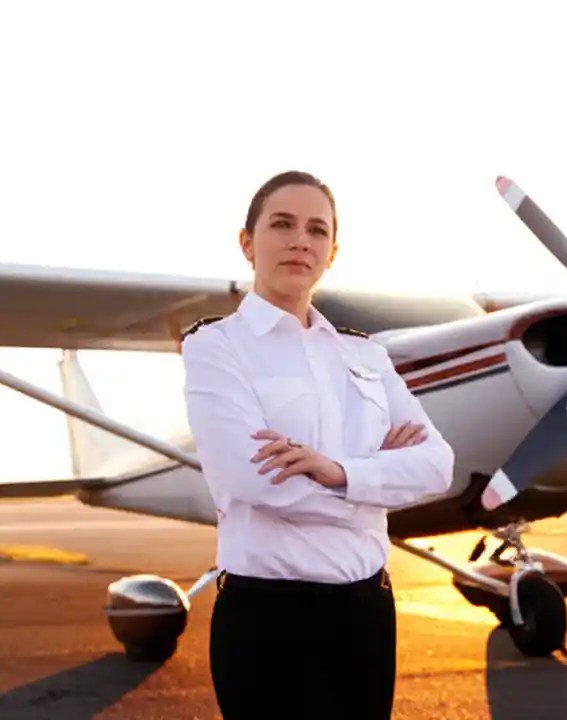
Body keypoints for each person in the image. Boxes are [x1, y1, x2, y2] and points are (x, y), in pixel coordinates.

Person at [180, 170, 456, 719]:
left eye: (317, 230)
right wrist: (376, 482)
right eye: (282, 225)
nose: (301, 241)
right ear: (247, 243)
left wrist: (336, 472)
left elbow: (438, 466)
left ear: (332, 253)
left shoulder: (366, 354)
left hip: (366, 613)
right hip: (268, 617)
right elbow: (256, 481)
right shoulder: (215, 346)